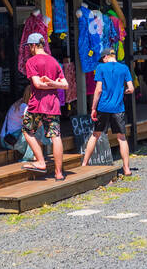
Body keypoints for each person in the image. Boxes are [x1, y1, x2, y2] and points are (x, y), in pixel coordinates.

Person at [79, 47, 134, 177]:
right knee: (121, 137)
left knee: (95, 135)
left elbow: (98, 90)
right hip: (118, 108)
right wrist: (122, 92)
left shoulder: (101, 68)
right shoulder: (124, 68)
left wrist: (93, 108)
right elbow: (131, 89)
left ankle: (84, 164)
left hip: (103, 107)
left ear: (105, 57)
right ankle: (126, 169)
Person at [21, 33, 70, 179]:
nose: (29, 49)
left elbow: (37, 84)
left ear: (34, 45)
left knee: (27, 130)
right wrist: (53, 84)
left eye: (29, 46)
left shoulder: (31, 62)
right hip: (53, 104)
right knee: (56, 136)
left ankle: (41, 162)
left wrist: (48, 83)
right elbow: (65, 85)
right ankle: (59, 173)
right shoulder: (54, 61)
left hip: (37, 103)